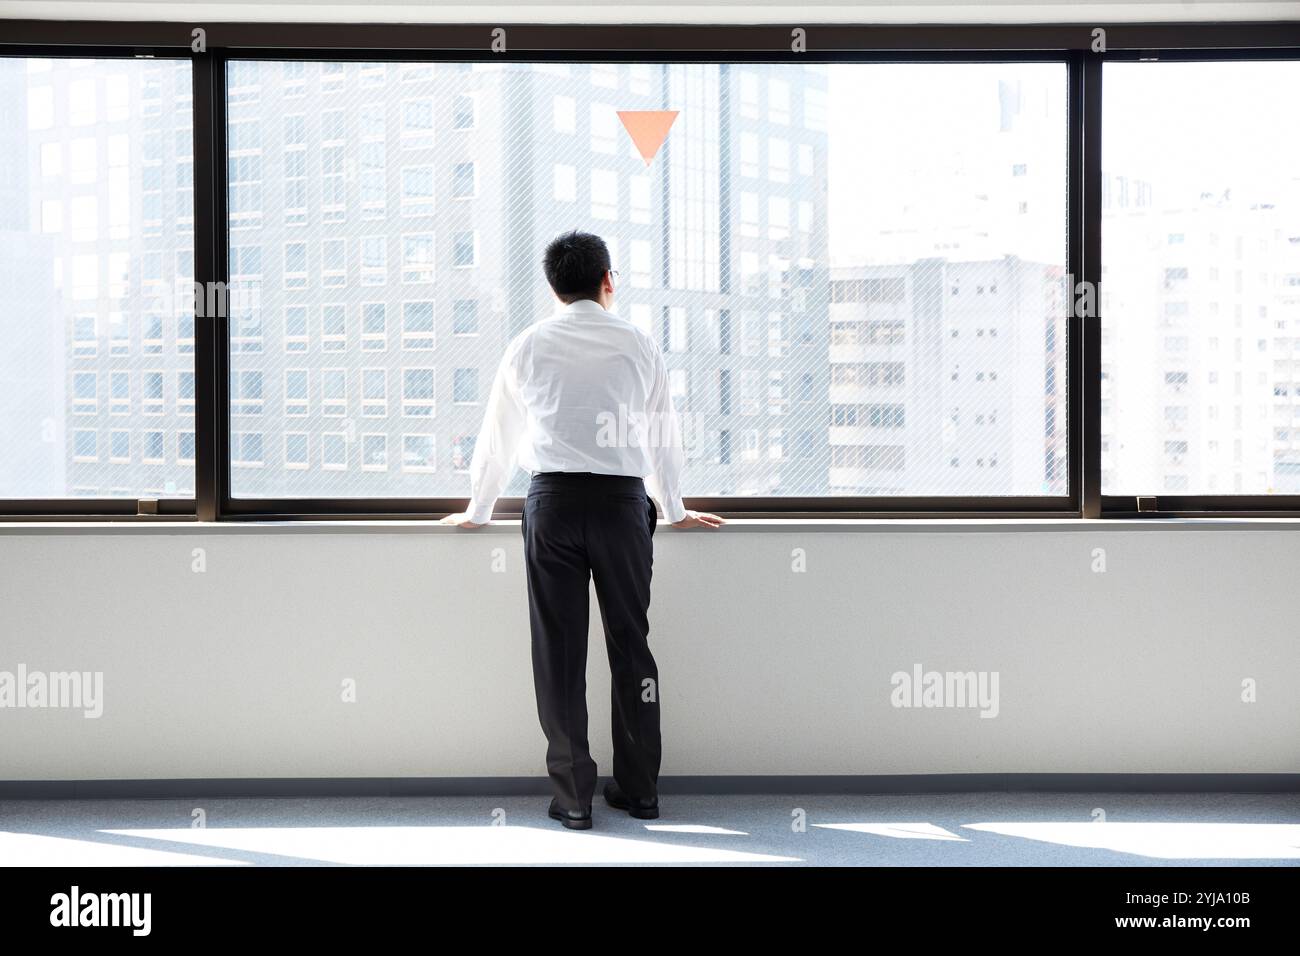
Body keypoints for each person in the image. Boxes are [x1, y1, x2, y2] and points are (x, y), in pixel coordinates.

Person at [439, 230, 725, 829]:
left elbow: (499, 437)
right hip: (623, 506)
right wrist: (672, 509)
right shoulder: (638, 343)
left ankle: (571, 797)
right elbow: (662, 436)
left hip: (554, 504)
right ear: (608, 280)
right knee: (631, 644)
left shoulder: (527, 344)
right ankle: (642, 789)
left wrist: (479, 508)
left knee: (559, 652)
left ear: (553, 289)